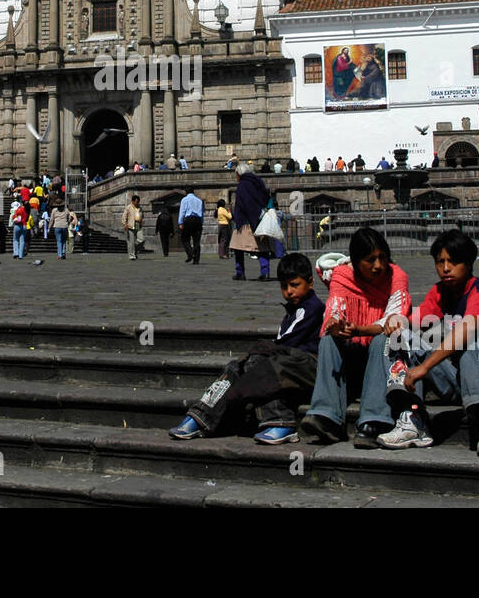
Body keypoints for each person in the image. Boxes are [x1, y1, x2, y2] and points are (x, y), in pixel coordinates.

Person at [373, 230, 479, 457]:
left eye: (453, 261)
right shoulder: (440, 291)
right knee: (399, 337)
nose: (446, 268)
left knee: (469, 339)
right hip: (461, 381)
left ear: (469, 264)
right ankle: (413, 418)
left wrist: (425, 366)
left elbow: (466, 331)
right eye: (440, 262)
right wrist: (396, 321)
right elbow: (417, 319)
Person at [169, 253, 325, 444]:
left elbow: (286, 344)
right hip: (288, 364)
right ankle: (201, 414)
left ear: (310, 282)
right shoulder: (293, 311)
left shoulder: (312, 309)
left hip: (307, 366)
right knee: (236, 366)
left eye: (294, 285)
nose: (289, 292)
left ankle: (280, 422)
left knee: (258, 363)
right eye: (284, 287)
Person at [299, 228, 411, 445]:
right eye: (370, 260)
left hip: (385, 361)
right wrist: (334, 323)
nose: (378, 265)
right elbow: (336, 305)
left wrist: (360, 329)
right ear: (357, 262)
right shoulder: (343, 275)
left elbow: (393, 318)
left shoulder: (397, 276)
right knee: (329, 339)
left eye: (382, 258)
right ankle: (326, 415)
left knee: (383, 338)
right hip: (355, 356)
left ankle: (374, 419)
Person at [229, 163, 271, 280]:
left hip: (245, 221)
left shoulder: (243, 184)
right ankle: (265, 271)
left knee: (238, 247)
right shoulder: (258, 181)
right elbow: (265, 197)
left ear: (239, 174)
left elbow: (245, 203)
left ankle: (240, 272)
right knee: (262, 248)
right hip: (259, 219)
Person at [177, 187, 204, 264]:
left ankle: (190, 253)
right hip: (198, 220)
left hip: (188, 220)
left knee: (185, 238)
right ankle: (196, 259)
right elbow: (201, 213)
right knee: (196, 240)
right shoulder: (199, 200)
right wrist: (201, 222)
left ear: (186, 192)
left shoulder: (184, 200)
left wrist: (180, 222)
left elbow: (182, 211)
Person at [123, 195, 144, 260]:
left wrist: (141, 221)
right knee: (131, 241)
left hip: (138, 225)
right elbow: (124, 216)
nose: (137, 203)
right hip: (130, 226)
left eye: (138, 202)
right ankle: (132, 256)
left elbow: (142, 215)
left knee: (141, 239)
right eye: (136, 201)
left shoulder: (140, 208)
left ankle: (134, 249)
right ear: (133, 201)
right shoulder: (128, 207)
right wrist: (125, 224)